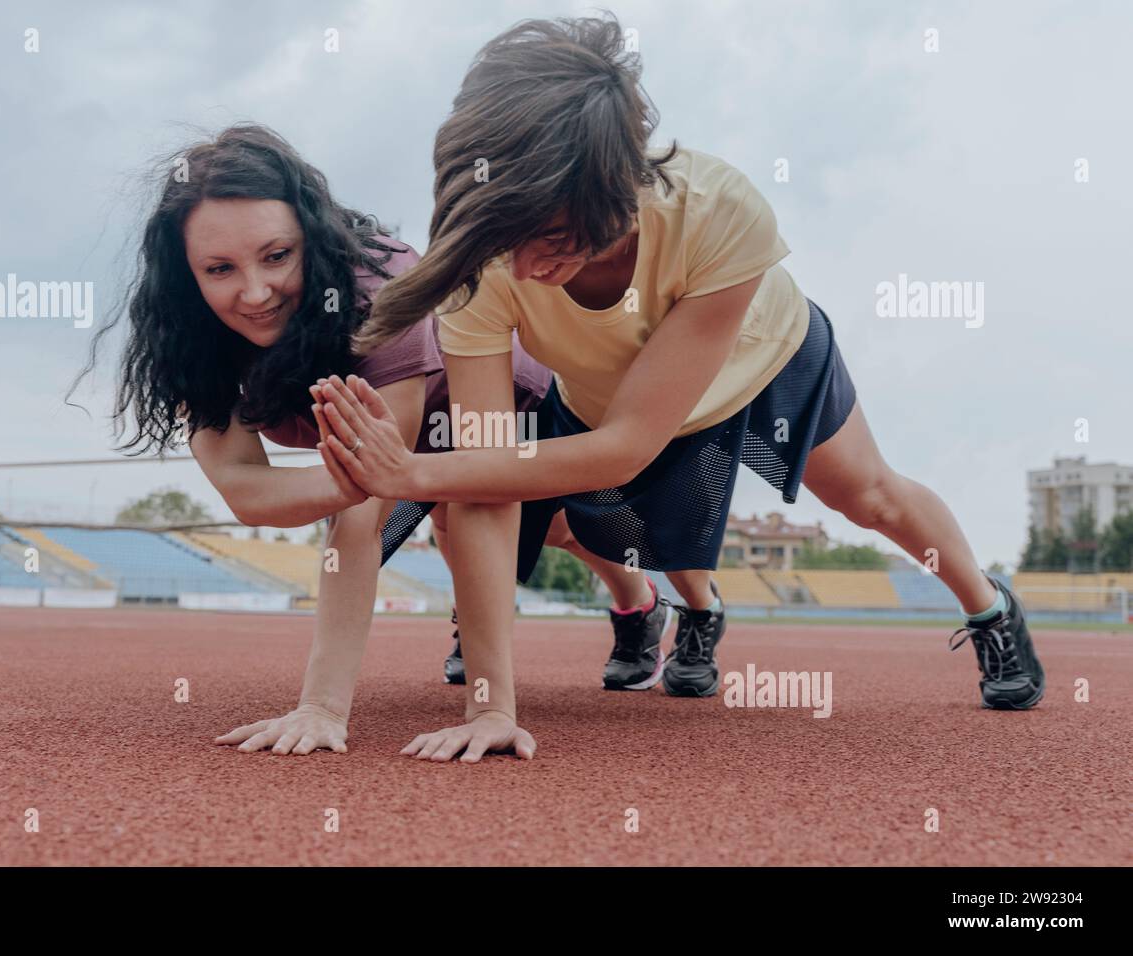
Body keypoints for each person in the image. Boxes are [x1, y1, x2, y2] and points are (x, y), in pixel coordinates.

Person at [311, 15, 1045, 763]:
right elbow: (486, 480)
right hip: (608, 396)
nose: (523, 267)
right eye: (505, 235)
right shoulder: (482, 260)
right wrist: (492, 706)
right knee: (611, 529)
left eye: (552, 239)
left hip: (762, 359)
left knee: (869, 497)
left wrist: (411, 472)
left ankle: (989, 609)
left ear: (616, 194)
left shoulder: (720, 211)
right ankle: (689, 611)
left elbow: (627, 447)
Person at [67, 124, 661, 758]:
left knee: (506, 521)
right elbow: (245, 488)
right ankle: (626, 604)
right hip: (390, 443)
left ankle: (637, 600)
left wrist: (324, 706)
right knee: (494, 527)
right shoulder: (186, 337)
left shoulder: (380, 288)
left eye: (277, 256)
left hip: (501, 398)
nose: (255, 292)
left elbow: (365, 510)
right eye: (219, 269)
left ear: (313, 239)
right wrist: (342, 478)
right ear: (186, 276)